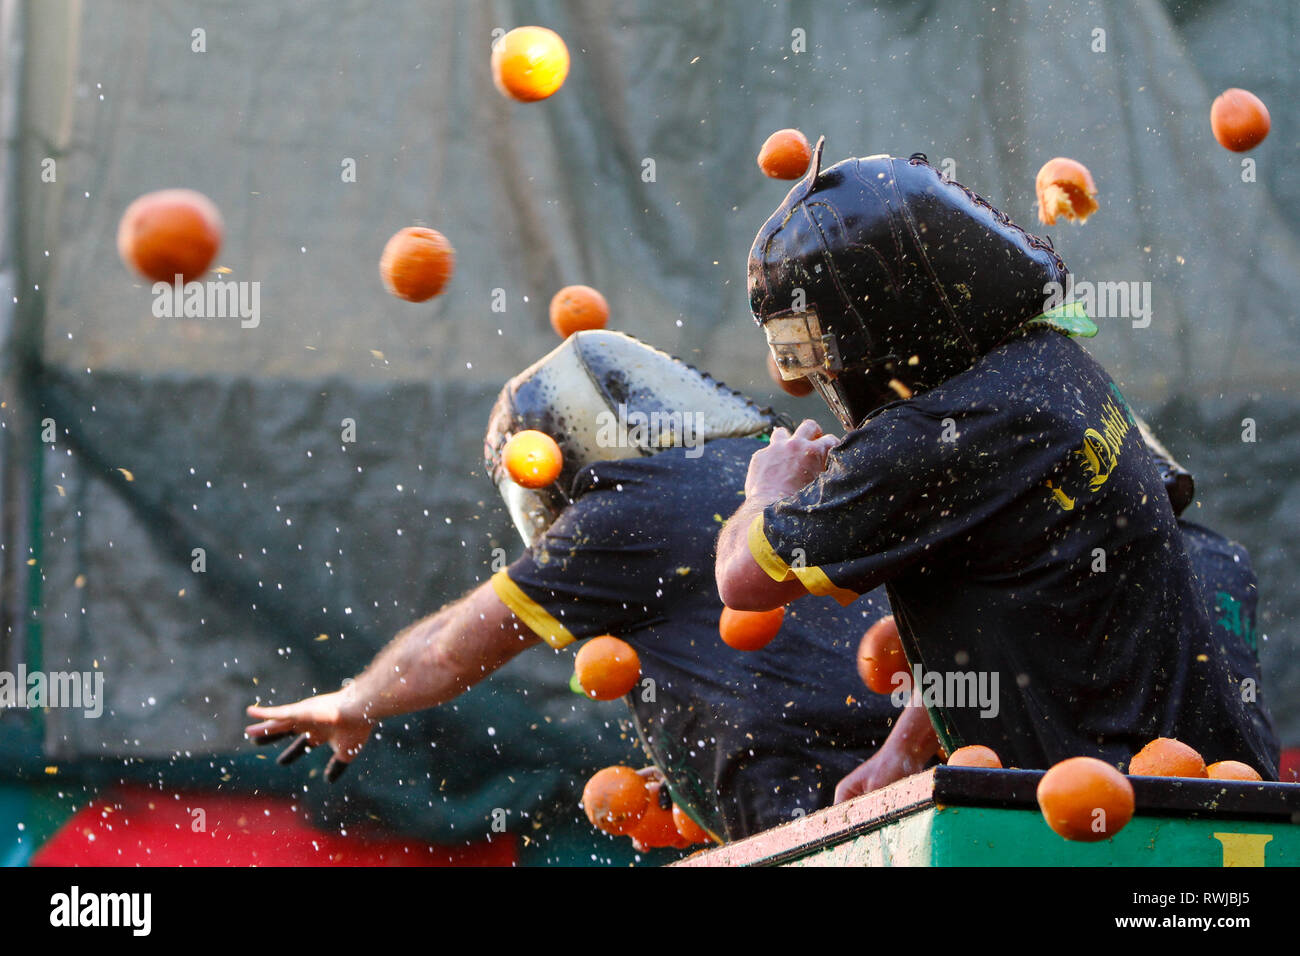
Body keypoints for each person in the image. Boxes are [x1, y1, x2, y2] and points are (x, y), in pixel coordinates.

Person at [715, 140, 1279, 781]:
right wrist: (904, 747)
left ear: (881, 316)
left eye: (822, 338)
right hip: (1199, 790)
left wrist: (767, 488)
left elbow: (745, 580)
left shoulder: (931, 436)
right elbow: (1010, 578)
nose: (826, 367)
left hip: (1109, 818)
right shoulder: (1051, 361)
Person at [247, 330, 901, 841]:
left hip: (819, 813)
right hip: (935, 773)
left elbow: (448, 647)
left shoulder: (626, 510)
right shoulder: (787, 465)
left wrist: (352, 701)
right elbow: (801, 661)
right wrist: (685, 777)